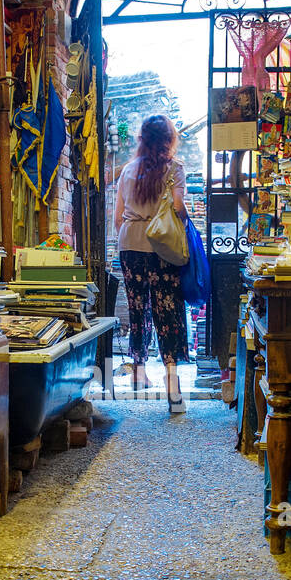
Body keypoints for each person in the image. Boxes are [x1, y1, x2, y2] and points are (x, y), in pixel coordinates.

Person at [113, 114, 190, 414]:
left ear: (142, 139)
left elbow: (118, 216)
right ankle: (172, 382)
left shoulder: (128, 170)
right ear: (169, 139)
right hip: (162, 246)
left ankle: (139, 372)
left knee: (137, 308)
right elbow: (179, 206)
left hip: (130, 244)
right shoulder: (175, 169)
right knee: (167, 308)